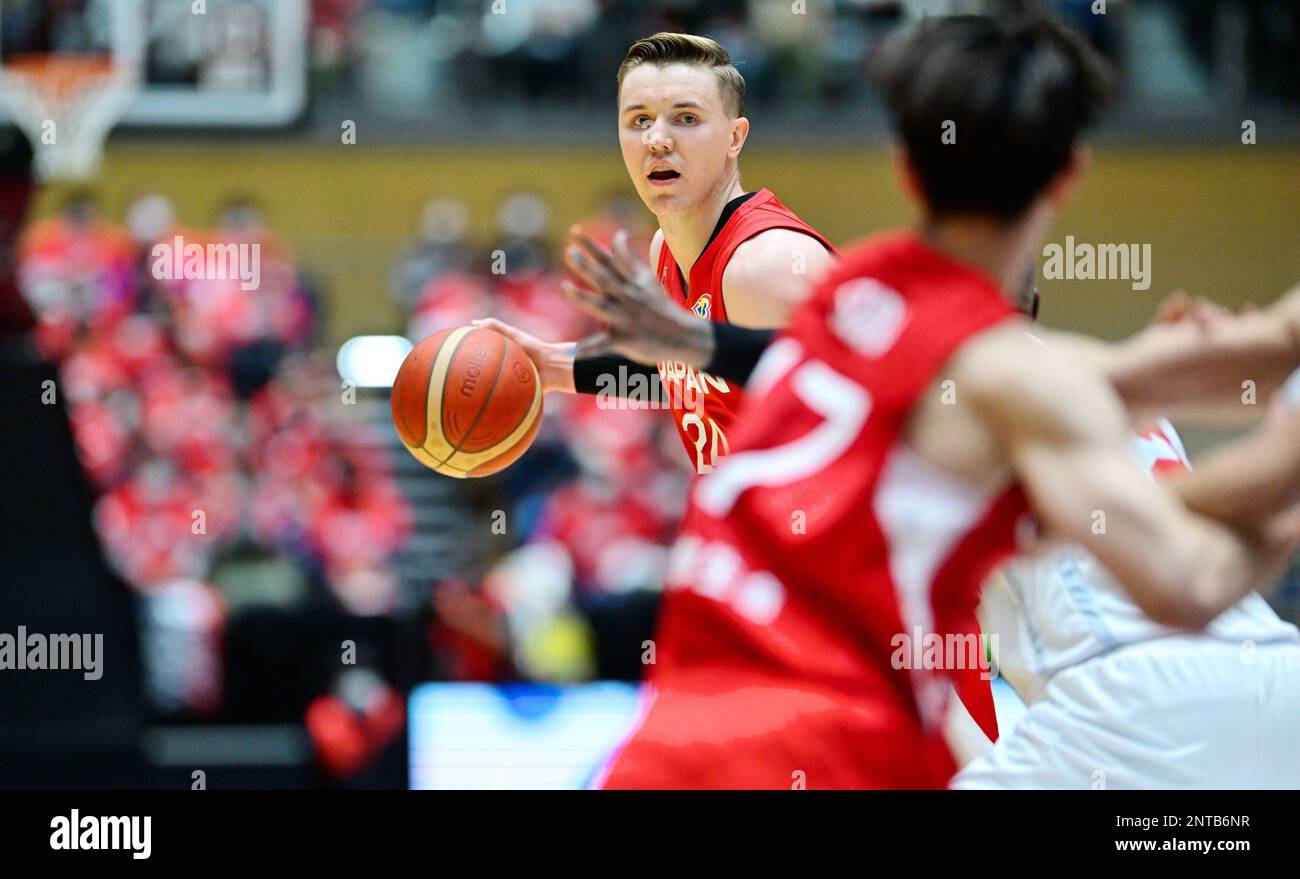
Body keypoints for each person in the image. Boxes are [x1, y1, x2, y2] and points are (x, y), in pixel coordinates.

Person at [563, 12, 1300, 789]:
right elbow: (1242, 375)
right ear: (1066, 178)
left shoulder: (884, 327)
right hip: (1272, 674)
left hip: (1106, 707)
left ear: (906, 172)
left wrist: (671, 347)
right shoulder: (1090, 377)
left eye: (682, 117)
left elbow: (1182, 579)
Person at [476, 32, 836, 475]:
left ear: (735, 137)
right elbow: (701, 379)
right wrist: (558, 368)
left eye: (686, 118)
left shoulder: (765, 265)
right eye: (640, 120)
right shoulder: (664, 249)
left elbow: (861, 418)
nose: (657, 140)